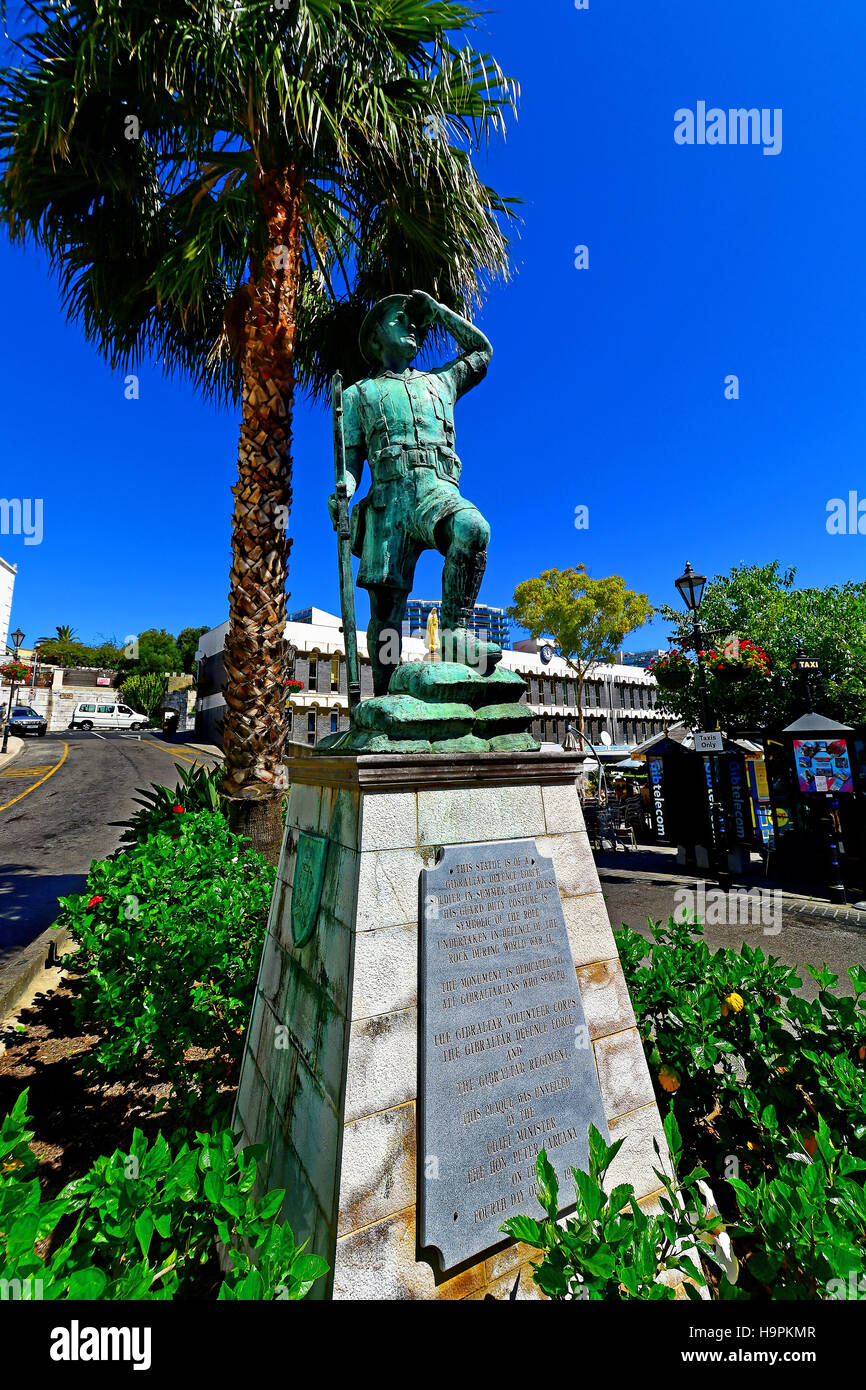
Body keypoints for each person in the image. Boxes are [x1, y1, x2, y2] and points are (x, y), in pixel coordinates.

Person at [328, 290, 501, 695]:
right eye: (399, 320)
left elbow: (482, 351)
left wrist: (439, 313)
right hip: (387, 501)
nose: (411, 328)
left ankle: (455, 632)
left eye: (414, 323)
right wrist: (343, 492)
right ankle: (385, 694)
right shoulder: (356, 395)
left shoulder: (441, 381)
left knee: (473, 529)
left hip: (436, 488)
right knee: (386, 611)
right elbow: (350, 462)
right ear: (374, 339)